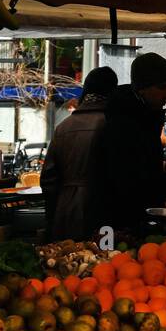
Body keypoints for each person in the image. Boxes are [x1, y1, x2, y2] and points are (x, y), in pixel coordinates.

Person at [101, 53, 166, 234]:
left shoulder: (142, 119)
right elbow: (138, 184)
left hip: (138, 221)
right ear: (142, 89)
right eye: (162, 87)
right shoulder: (125, 126)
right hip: (127, 224)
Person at [40, 67, 118, 239]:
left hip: (65, 212)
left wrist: (52, 216)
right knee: (103, 260)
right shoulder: (112, 124)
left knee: (70, 261)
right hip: (102, 210)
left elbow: (48, 180)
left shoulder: (63, 127)